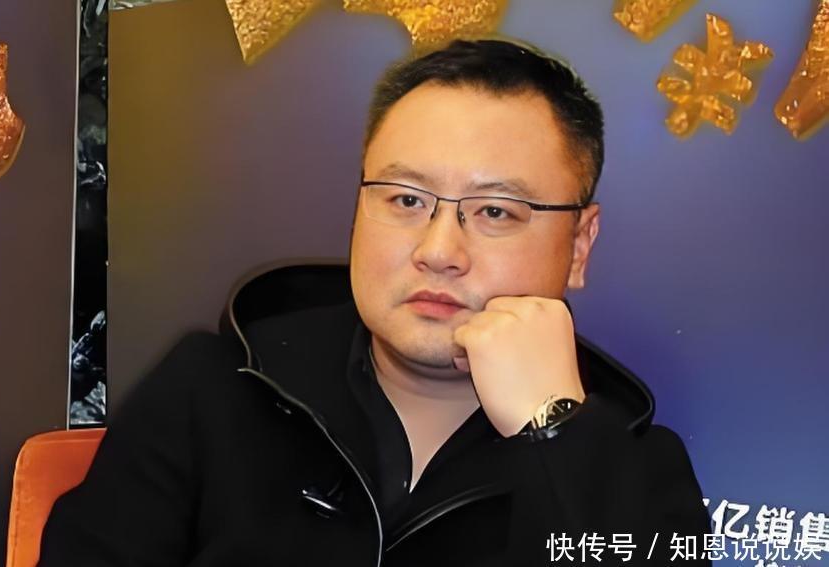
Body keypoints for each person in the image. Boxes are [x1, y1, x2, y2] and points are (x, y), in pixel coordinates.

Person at [39, 39, 712, 566]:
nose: (439, 250)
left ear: (580, 243)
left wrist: (557, 433)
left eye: (495, 212)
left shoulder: (638, 469)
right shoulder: (211, 390)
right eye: (407, 200)